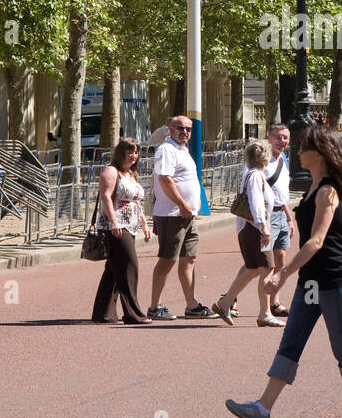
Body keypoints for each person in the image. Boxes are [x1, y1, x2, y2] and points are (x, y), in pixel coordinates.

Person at [225, 124, 342, 418]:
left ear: (319, 153)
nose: (297, 152)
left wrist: (282, 275)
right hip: (312, 282)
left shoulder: (328, 191)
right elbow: (340, 239)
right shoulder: (313, 187)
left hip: (333, 282)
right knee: (292, 340)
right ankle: (262, 408)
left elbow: (318, 241)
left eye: (303, 147)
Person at [212, 139, 284, 327]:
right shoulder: (255, 176)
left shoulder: (253, 174)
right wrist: (263, 226)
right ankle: (264, 313)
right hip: (254, 228)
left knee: (252, 269)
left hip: (251, 227)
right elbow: (256, 202)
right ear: (265, 158)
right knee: (267, 268)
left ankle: (225, 303)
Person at [147, 115, 213, 321]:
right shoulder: (166, 150)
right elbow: (165, 180)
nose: (184, 132)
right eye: (180, 128)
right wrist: (182, 205)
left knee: (189, 259)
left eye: (188, 129)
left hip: (187, 214)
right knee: (168, 259)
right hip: (172, 214)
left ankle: (191, 305)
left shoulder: (182, 150)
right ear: (170, 128)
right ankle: (154, 306)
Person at [91, 137, 152, 324]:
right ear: (121, 152)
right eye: (129, 151)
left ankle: (103, 313)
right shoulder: (111, 172)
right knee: (129, 267)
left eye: (136, 152)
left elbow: (136, 202)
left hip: (131, 225)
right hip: (116, 227)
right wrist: (114, 221)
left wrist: (144, 224)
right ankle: (133, 314)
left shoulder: (131, 174)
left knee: (113, 270)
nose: (133, 156)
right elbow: (106, 198)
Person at [264, 125, 295, 317]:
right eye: (278, 137)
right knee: (259, 263)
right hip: (267, 215)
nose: (282, 141)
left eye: (285, 138)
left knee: (280, 257)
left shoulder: (283, 158)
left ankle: (275, 302)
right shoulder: (261, 159)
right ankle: (230, 298)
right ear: (268, 137)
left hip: (281, 214)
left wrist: (289, 216)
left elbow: (281, 192)